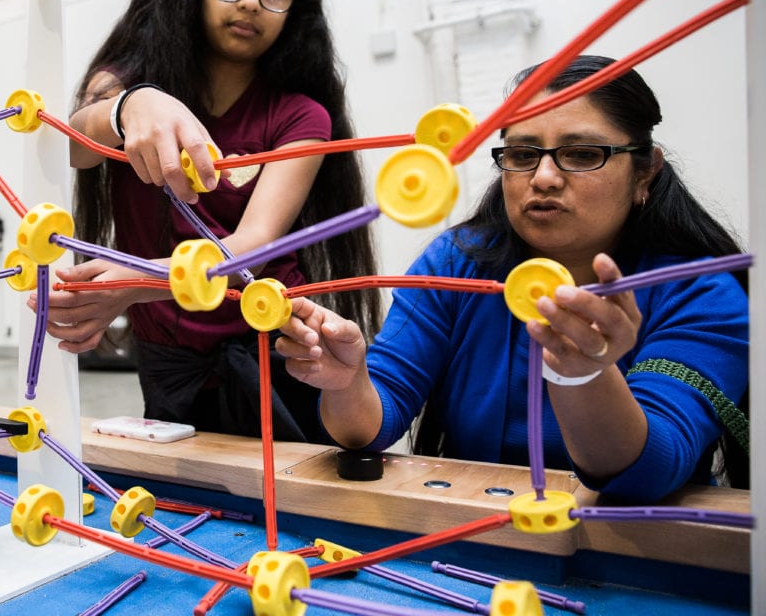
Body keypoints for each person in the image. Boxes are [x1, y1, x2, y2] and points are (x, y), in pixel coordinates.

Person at [277, 55, 748, 502]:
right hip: (472, 542)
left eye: (582, 154)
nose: (543, 177)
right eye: (522, 154)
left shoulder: (703, 296)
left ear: (646, 172)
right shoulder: (456, 266)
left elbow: (646, 472)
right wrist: (346, 384)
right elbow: (372, 422)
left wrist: (583, 372)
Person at [39, 0, 381, 442]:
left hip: (274, 342)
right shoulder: (122, 82)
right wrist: (129, 106)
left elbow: (254, 241)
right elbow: (70, 151)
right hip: (167, 355)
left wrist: (138, 282)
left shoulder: (301, 115)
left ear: (294, 8)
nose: (250, 1)